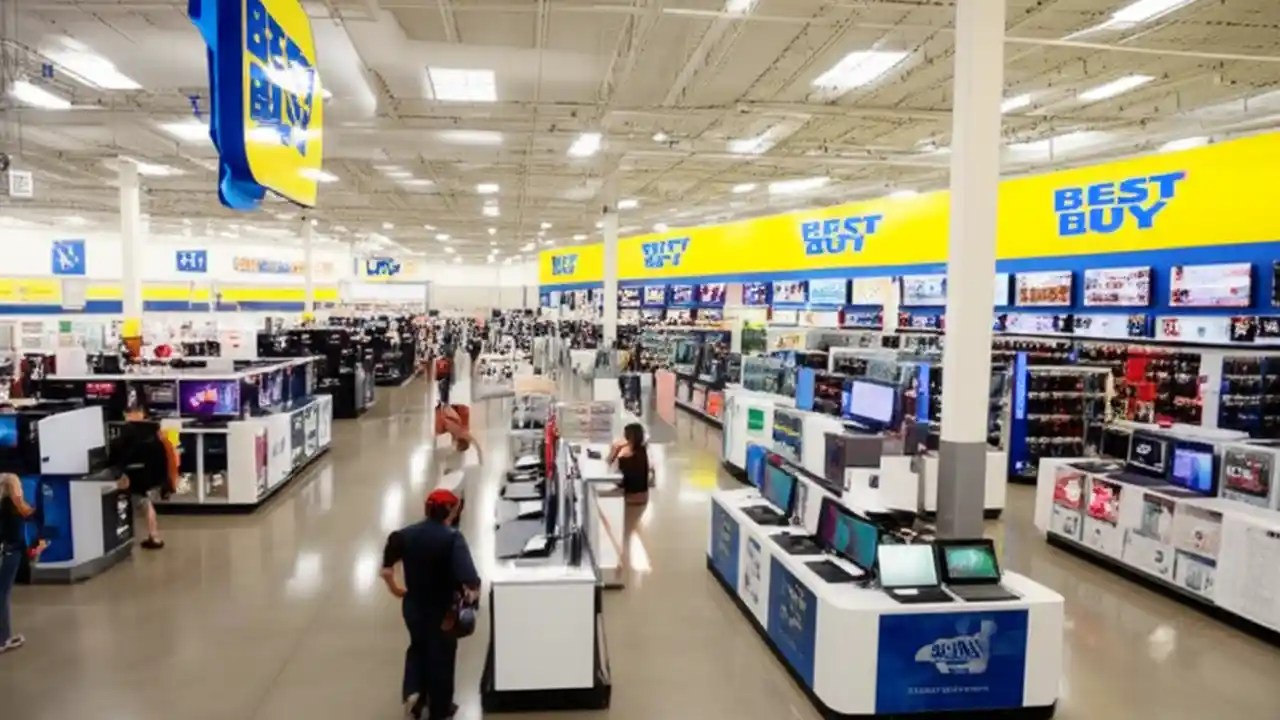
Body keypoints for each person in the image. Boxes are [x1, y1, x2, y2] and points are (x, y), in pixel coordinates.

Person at [381, 489, 481, 720]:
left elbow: (386, 568)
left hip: (413, 606)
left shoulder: (405, 534)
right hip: (443, 610)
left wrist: (396, 589)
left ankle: (414, 693)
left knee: (418, 647)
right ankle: (440, 710)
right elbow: (469, 579)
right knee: (442, 657)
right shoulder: (452, 538)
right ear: (449, 510)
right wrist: (472, 595)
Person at [109, 405, 178, 550]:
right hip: (150, 473)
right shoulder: (154, 430)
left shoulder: (128, 431)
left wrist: (118, 471)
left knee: (135, 504)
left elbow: (119, 453)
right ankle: (153, 536)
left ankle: (133, 537)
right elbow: (164, 454)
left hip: (133, 473)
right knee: (146, 504)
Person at [1, 473, 46, 654]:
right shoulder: (14, 509)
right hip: (9, 553)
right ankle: (3, 638)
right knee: (2, 593)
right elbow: (29, 516)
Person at [608, 422, 652, 505]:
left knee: (599, 494)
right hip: (643, 494)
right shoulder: (642, 450)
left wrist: (615, 449)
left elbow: (610, 462)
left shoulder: (627, 453)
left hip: (631, 496)